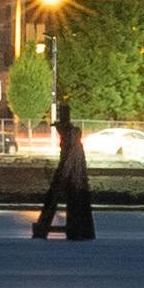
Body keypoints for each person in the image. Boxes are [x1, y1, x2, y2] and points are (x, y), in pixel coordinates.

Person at [29, 91, 95, 243]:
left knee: (69, 199)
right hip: (74, 172)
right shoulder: (72, 134)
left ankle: (71, 230)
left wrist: (63, 173)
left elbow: (68, 152)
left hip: (70, 171)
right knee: (77, 201)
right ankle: (77, 231)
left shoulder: (71, 135)